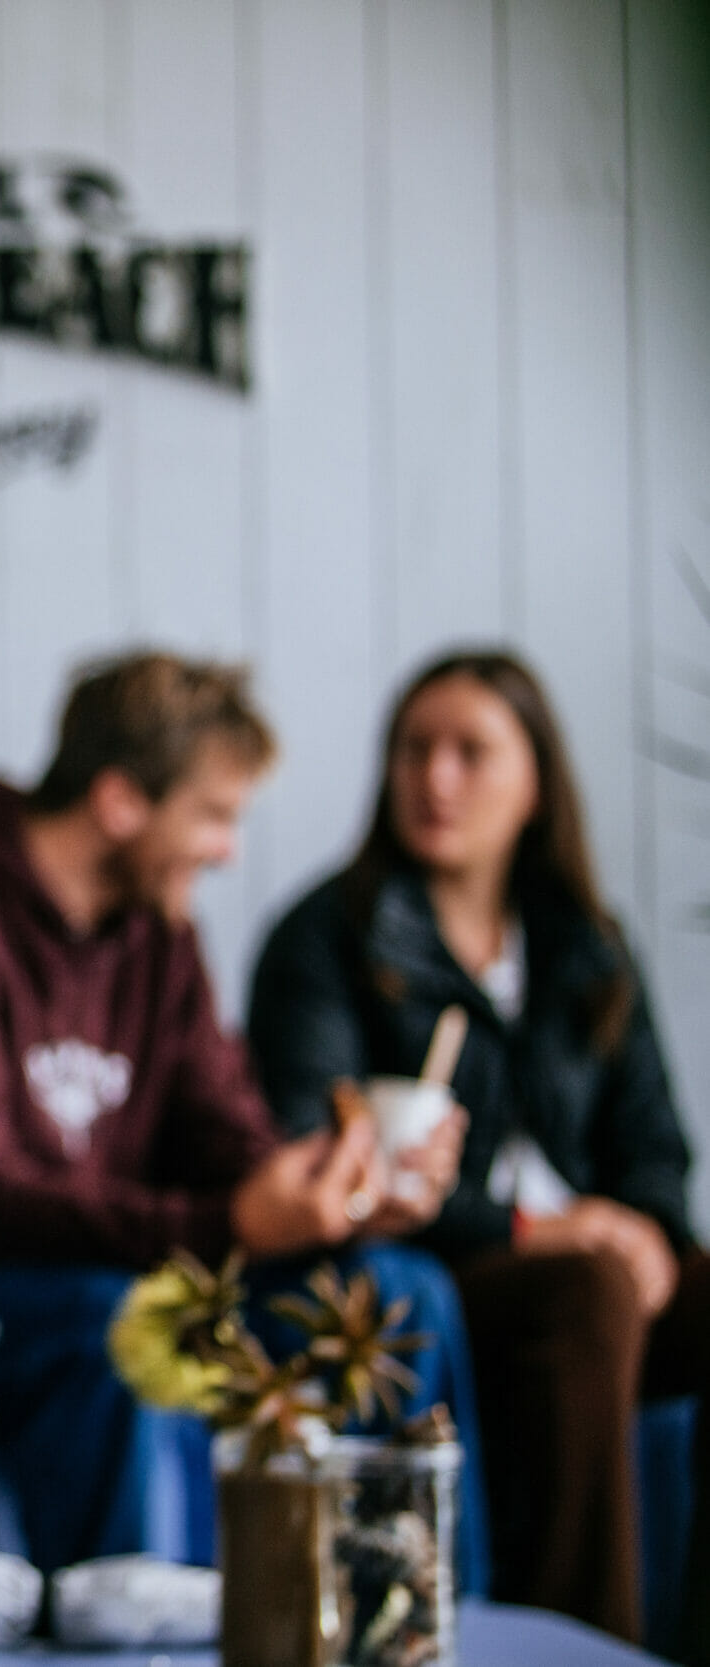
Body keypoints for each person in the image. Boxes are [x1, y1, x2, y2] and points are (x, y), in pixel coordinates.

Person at [0, 652, 483, 1578]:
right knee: (117, 1324)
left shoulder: (157, 937)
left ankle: (408, 1627)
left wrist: (336, 1198)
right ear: (121, 800)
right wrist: (226, 1224)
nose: (227, 850)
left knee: (400, 1291)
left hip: (66, 1264)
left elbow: (230, 1144)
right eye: (213, 816)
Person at [248, 649, 707, 1649]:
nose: (435, 777)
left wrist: (653, 1235)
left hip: (598, 1263)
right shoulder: (328, 939)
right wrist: (534, 1228)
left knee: (660, 1284)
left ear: (534, 779)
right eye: (414, 749)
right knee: (586, 1292)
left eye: (469, 751)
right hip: (452, 1267)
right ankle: (585, 1645)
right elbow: (313, 1156)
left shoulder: (587, 941)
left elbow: (652, 1140)